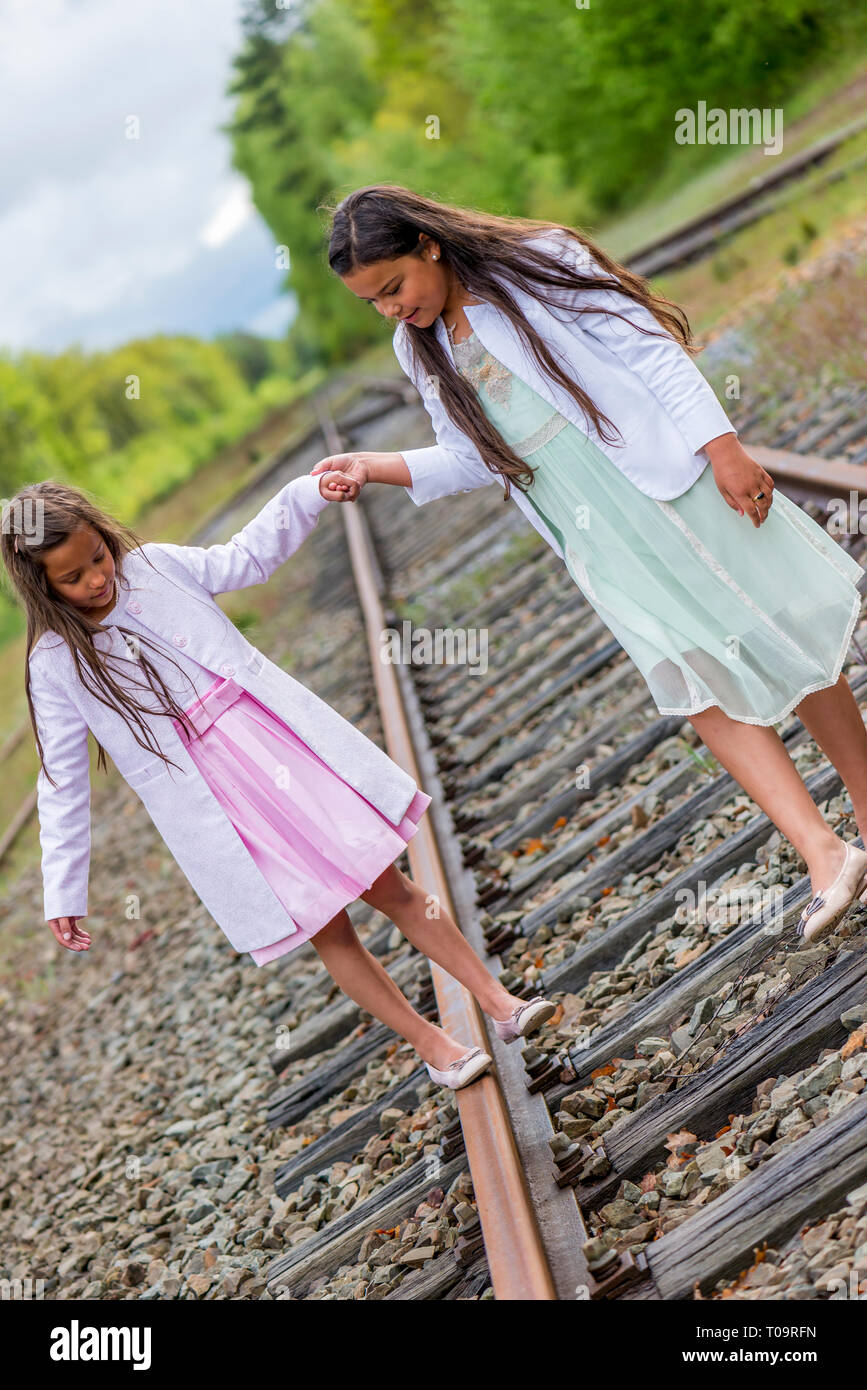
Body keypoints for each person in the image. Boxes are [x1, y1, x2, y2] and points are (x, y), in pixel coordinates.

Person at [314, 182, 867, 945]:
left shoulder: (539, 261)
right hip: (590, 527)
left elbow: (649, 351)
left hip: (663, 480)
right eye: (370, 301)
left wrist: (722, 447)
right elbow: (472, 456)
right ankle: (821, 851)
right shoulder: (420, 346)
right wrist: (373, 465)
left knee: (768, 621)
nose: (389, 309)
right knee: (692, 673)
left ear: (427, 245)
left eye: (392, 287)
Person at [2, 477, 556, 1091]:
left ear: (106, 539)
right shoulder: (54, 662)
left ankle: (499, 1001)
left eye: (97, 558)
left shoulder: (157, 568)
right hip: (217, 807)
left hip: (274, 753)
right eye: (72, 578)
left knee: (388, 885)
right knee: (327, 927)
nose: (96, 580)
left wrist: (308, 492)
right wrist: (64, 888)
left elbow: (248, 556)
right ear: (42, 586)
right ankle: (434, 1045)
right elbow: (62, 781)